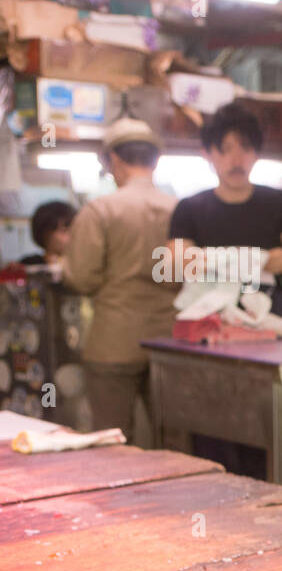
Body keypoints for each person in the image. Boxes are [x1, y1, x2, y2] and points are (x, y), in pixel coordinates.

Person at [60, 118, 177, 444]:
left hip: (114, 342)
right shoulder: (180, 210)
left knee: (113, 442)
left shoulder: (100, 210)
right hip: (170, 342)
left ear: (113, 159)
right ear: (155, 159)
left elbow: (81, 277)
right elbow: (188, 278)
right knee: (174, 442)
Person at [168, 102, 282, 315]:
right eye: (225, 149)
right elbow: (170, 269)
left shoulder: (281, 203)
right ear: (207, 154)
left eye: (245, 148)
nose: (236, 160)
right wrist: (195, 261)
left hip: (271, 320)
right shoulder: (188, 208)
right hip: (209, 320)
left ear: (256, 153)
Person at [20, 201, 76, 266]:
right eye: (64, 230)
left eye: (74, 231)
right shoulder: (29, 265)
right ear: (45, 234)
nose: (71, 237)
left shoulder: (79, 265)